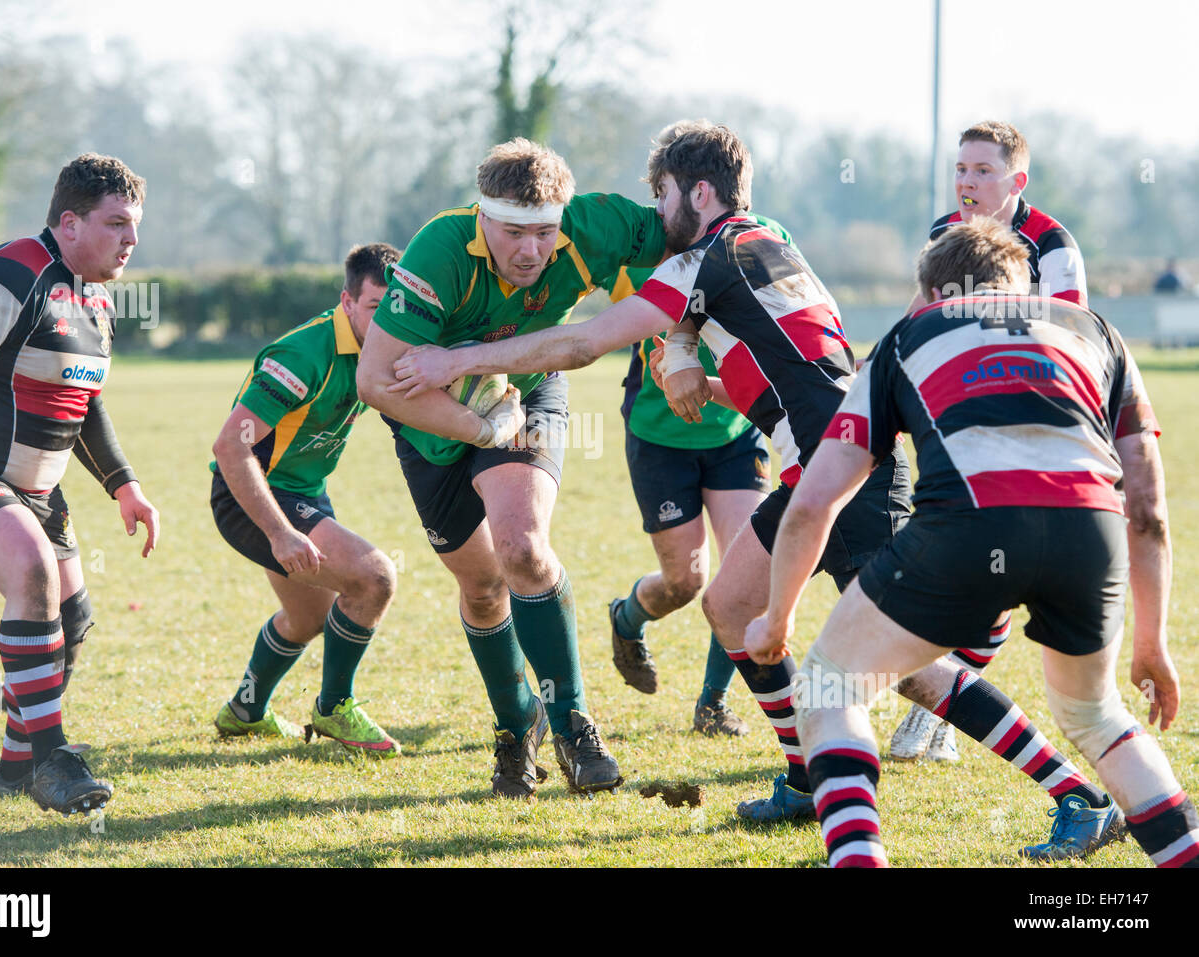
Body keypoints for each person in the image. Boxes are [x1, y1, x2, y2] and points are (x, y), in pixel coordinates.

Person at [389, 122, 1122, 860]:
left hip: (848, 466)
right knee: (731, 604)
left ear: (698, 192)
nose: (656, 211)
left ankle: (1077, 793)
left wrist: (461, 357)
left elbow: (582, 342)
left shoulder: (706, 258)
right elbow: (784, 366)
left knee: (902, 664)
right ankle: (806, 778)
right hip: (828, 454)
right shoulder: (766, 242)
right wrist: (693, 366)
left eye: (663, 194)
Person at [751, 216, 1196, 868]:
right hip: (1088, 533)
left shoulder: (910, 334)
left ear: (932, 293)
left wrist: (778, 617)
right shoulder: (1097, 331)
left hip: (968, 524)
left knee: (829, 688)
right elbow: (1149, 509)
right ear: (1021, 284)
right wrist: (1153, 642)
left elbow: (817, 497)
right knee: (1098, 717)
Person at [356, 138, 671, 798]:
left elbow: (695, 238)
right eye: (513, 232)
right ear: (482, 218)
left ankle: (574, 726)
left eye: (545, 233)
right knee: (481, 588)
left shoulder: (598, 226)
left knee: (523, 549)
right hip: (431, 415)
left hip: (527, 389)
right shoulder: (438, 252)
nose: (532, 251)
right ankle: (512, 727)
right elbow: (374, 381)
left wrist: (693, 335)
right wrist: (480, 425)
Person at [0, 153, 159, 814]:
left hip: (37, 490)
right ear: (68, 223)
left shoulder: (95, 296)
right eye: (116, 224)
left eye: (135, 225)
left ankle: (17, 766)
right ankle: (53, 760)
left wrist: (124, 483)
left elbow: (86, 401)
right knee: (30, 572)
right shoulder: (15, 270)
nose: (131, 239)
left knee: (71, 617)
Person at [894, 119, 1091, 762]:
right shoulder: (940, 234)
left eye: (982, 171)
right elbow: (920, 316)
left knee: (998, 572)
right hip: (952, 419)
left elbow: (1071, 337)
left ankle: (945, 709)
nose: (967, 183)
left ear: (1016, 181)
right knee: (971, 566)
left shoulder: (1053, 245)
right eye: (960, 169)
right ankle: (949, 702)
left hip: (1025, 422)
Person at [210, 242, 401, 755]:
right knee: (374, 577)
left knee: (308, 620)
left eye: (397, 308)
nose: (387, 322)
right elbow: (231, 446)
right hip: (253, 493)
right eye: (375, 308)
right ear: (346, 301)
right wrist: (279, 531)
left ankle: (246, 712)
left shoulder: (383, 345)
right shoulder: (302, 354)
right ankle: (335, 706)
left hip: (305, 493)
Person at [602, 257, 772, 736]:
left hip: (736, 434)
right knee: (684, 582)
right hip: (659, 440)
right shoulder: (635, 263)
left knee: (749, 575)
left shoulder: (750, 253)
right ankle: (626, 618)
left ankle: (713, 705)